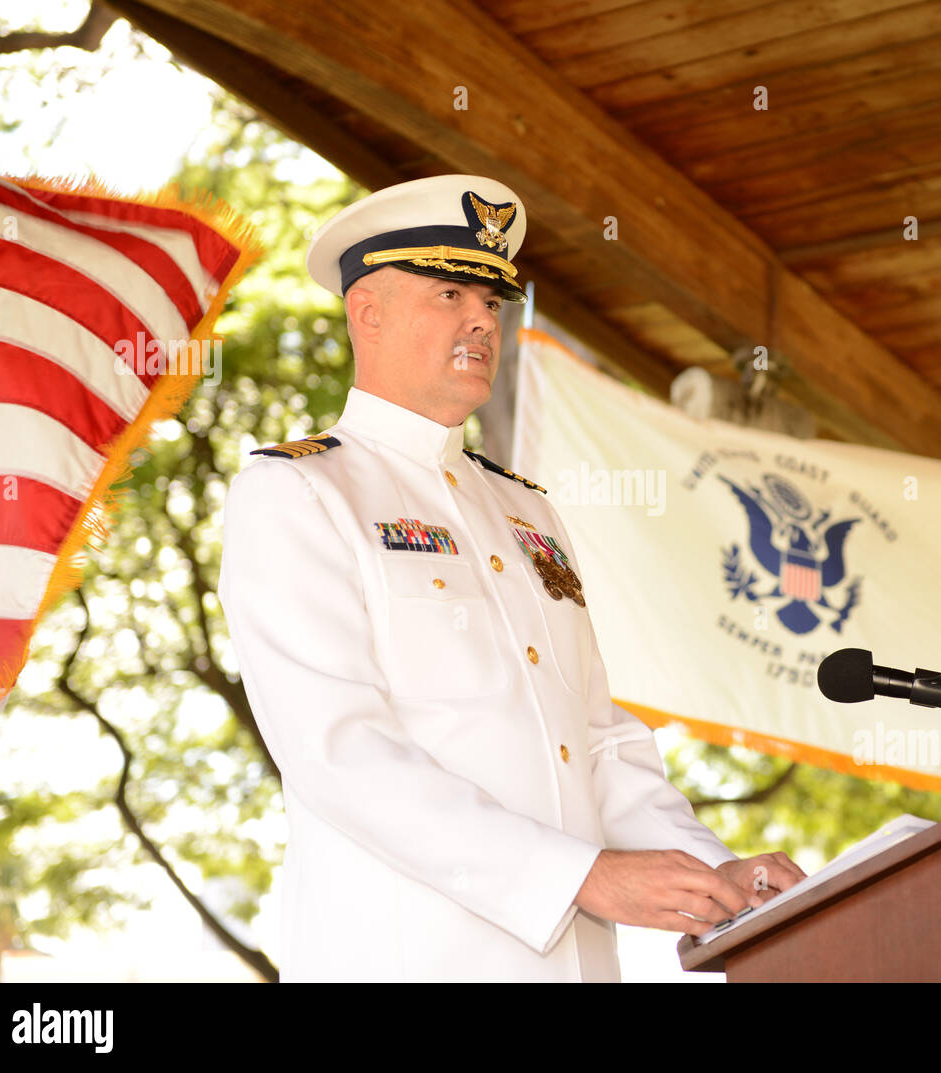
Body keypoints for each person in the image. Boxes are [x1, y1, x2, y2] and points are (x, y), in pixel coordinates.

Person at [217, 174, 805, 982]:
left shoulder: (525, 509)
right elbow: (341, 752)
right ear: (368, 312)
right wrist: (582, 877)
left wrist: (715, 874)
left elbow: (597, 741)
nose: (481, 322)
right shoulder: (299, 492)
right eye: (450, 292)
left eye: (492, 302)